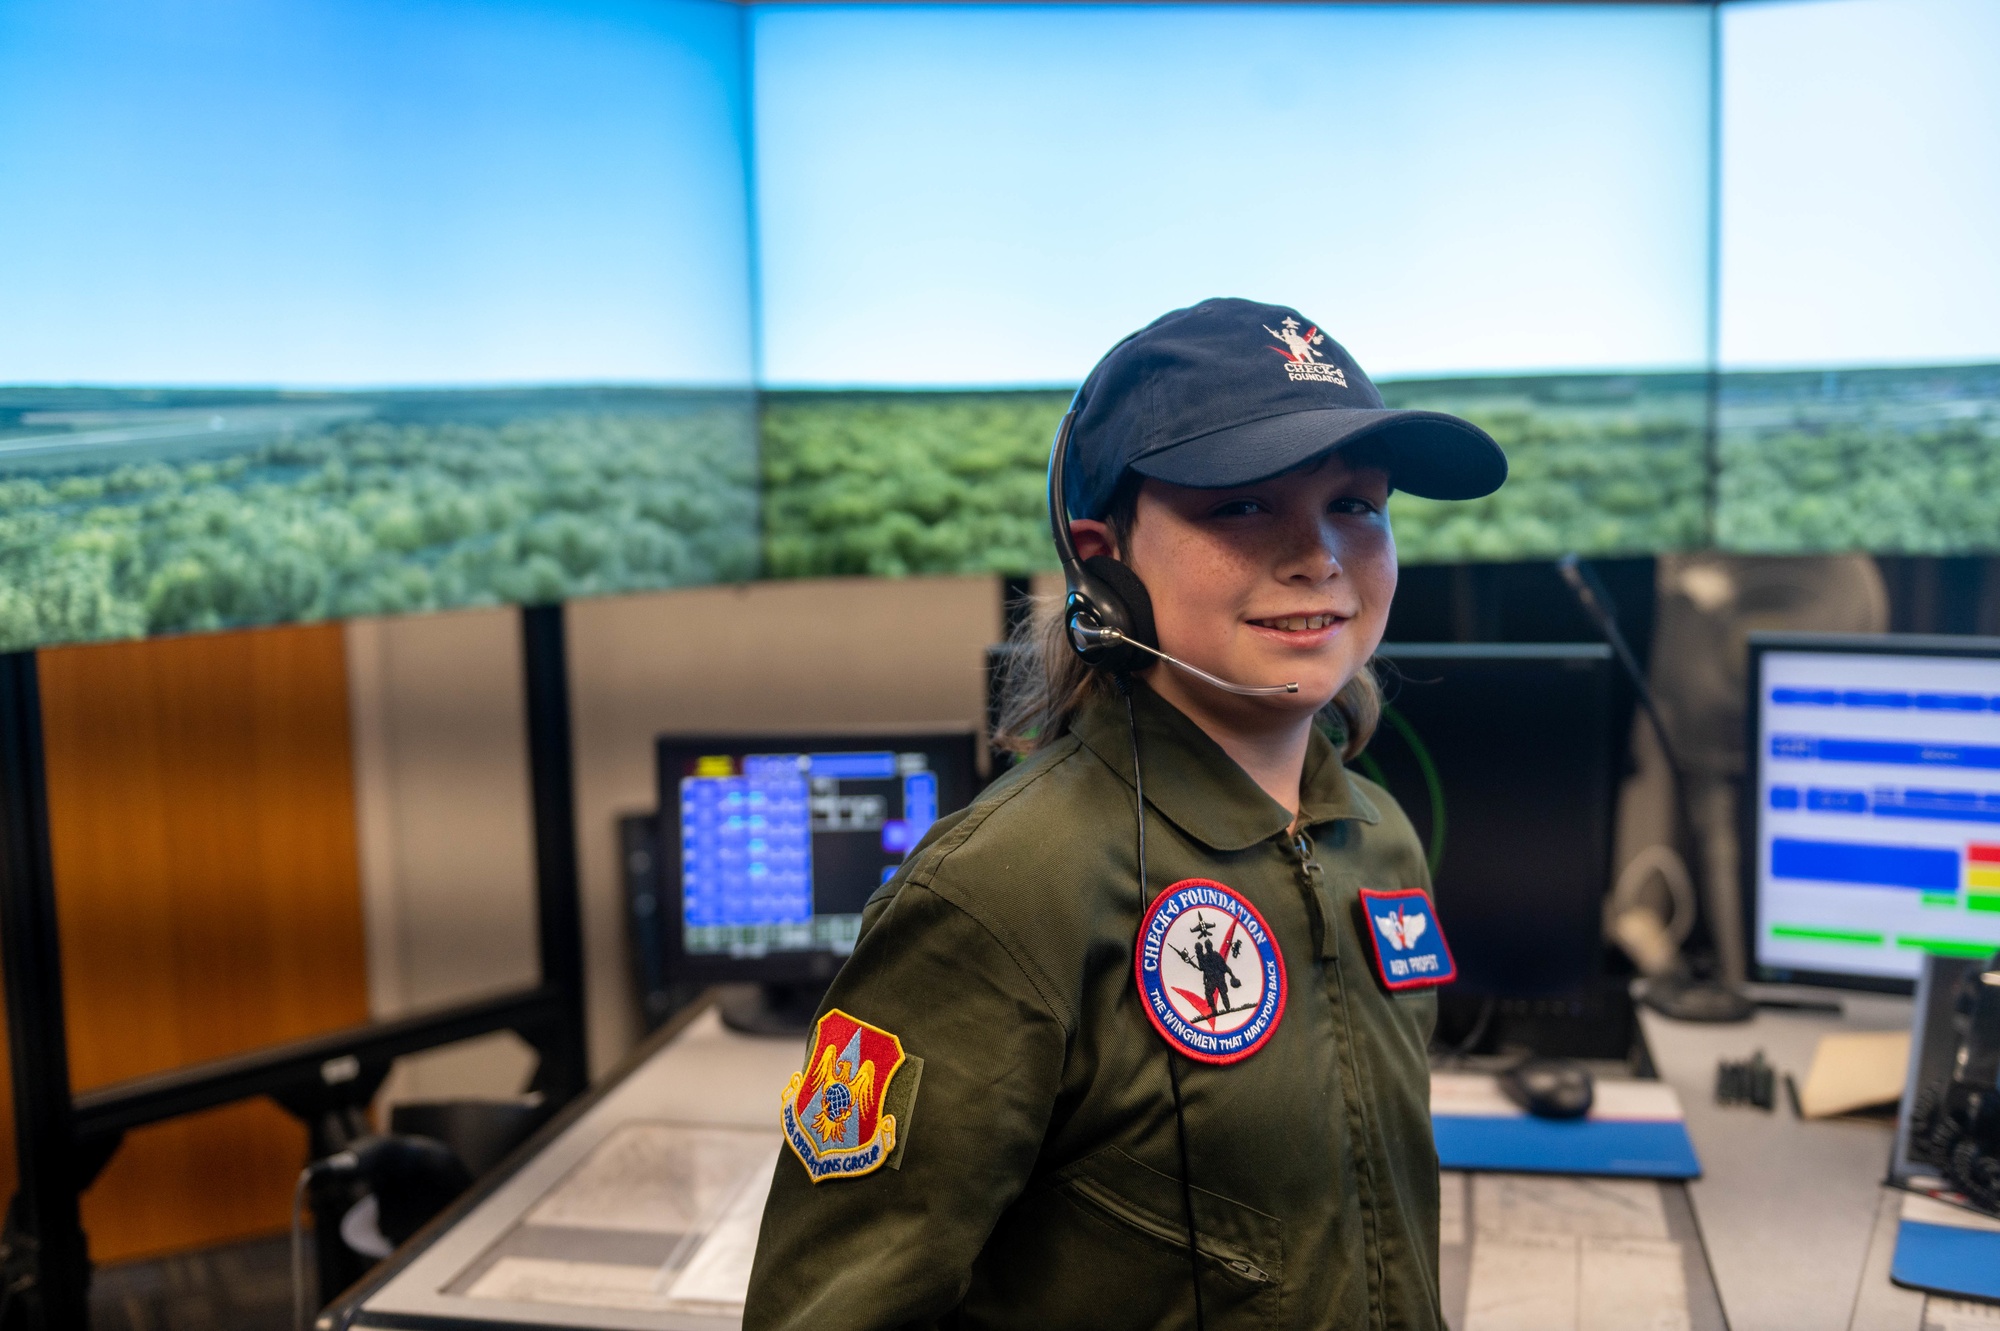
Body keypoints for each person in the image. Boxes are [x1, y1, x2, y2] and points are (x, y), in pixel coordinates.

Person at [746, 297, 1506, 1330]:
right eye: (1242, 507)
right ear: (1103, 564)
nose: (1318, 554)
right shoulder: (999, 890)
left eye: (1357, 504)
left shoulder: (1375, 836)